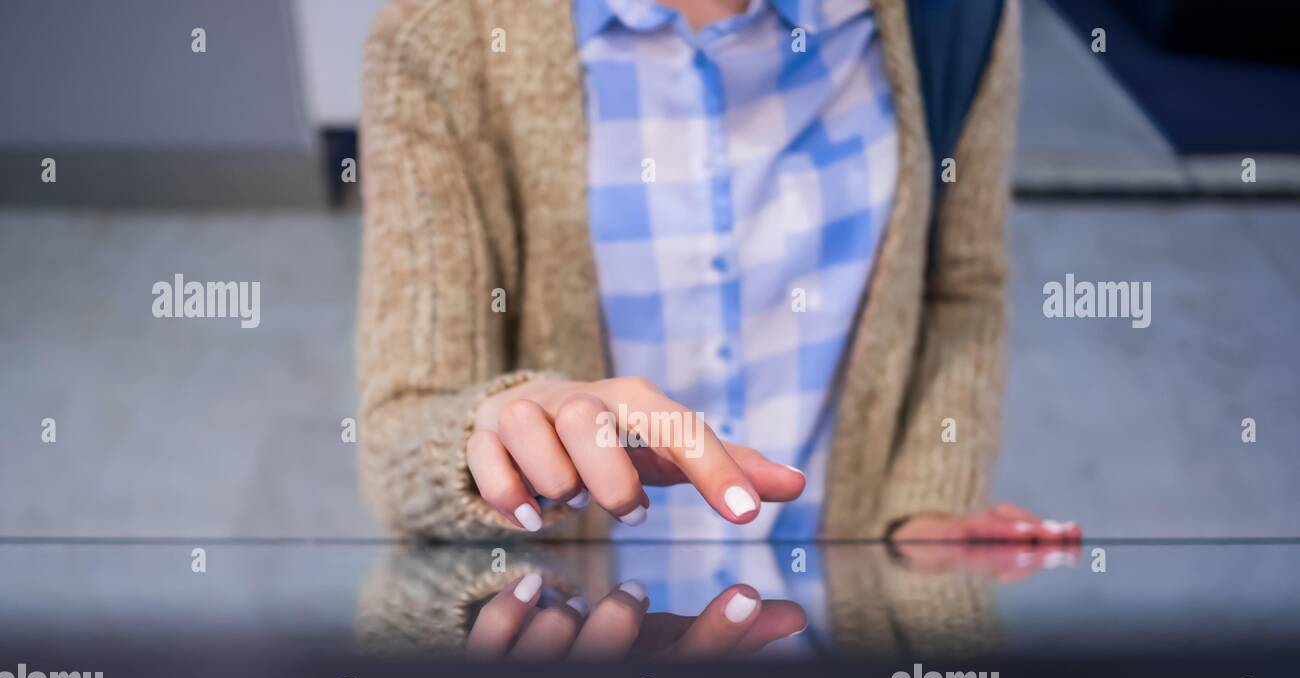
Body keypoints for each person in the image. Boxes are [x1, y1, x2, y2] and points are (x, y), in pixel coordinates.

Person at [356, 0, 1080, 550]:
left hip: (838, 639)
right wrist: (507, 429)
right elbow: (398, 433)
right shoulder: (441, 36)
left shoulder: (955, 18)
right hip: (579, 661)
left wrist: (923, 508)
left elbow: (962, 290)